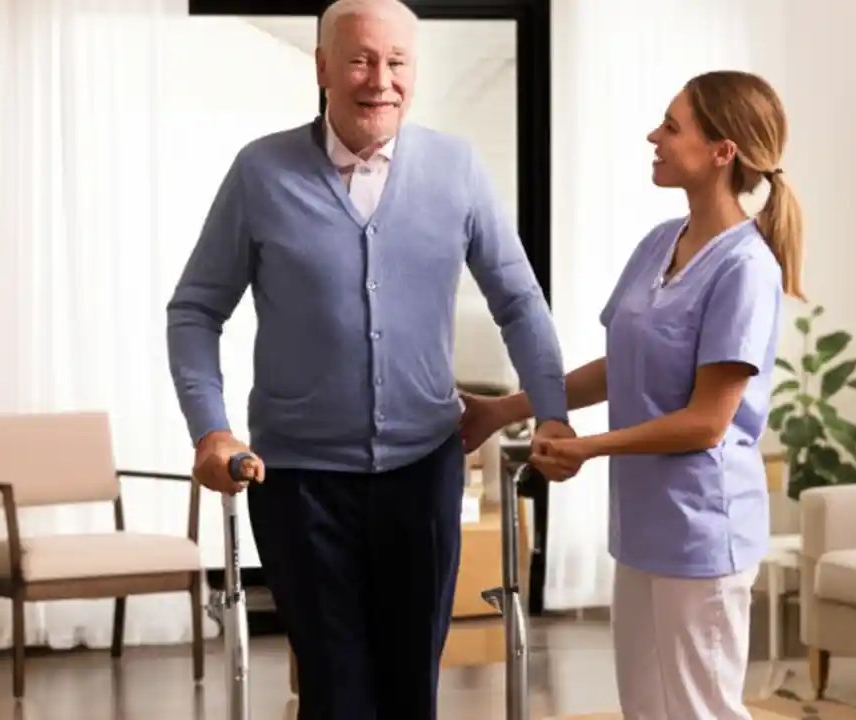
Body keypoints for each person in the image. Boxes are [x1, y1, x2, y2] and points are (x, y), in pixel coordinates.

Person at [165, 0, 572, 717]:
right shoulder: (261, 172)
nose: (378, 80)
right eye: (358, 59)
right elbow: (195, 309)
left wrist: (554, 414)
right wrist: (211, 429)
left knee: (411, 688)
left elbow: (519, 302)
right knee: (336, 690)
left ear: (414, 71)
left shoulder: (456, 167)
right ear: (322, 67)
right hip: (298, 482)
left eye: (396, 62)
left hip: (423, 473)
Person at [461, 69, 802, 719]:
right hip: (643, 524)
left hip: (704, 531)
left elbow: (707, 422)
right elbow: (623, 365)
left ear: (722, 152)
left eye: (672, 127)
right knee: (645, 708)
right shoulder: (659, 245)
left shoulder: (745, 268)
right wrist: (509, 408)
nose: (655, 136)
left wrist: (589, 447)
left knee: (702, 710)